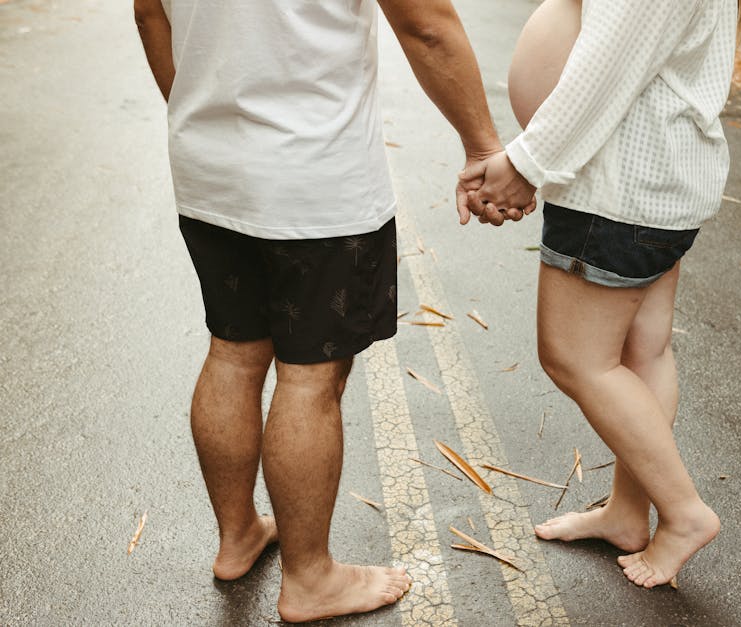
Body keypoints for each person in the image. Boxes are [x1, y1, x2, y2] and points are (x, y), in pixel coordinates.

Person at [133, 0, 532, 621]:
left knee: (234, 352)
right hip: (312, 176)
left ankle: (238, 537)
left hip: (210, 167)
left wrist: (196, 113)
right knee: (310, 376)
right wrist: (483, 144)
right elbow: (425, 22)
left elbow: (148, 11)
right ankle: (311, 577)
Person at [462, 0, 741, 589]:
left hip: (618, 187)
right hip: (655, 181)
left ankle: (683, 514)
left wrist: (525, 163)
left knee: (577, 358)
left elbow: (606, 68)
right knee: (642, 354)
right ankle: (628, 512)